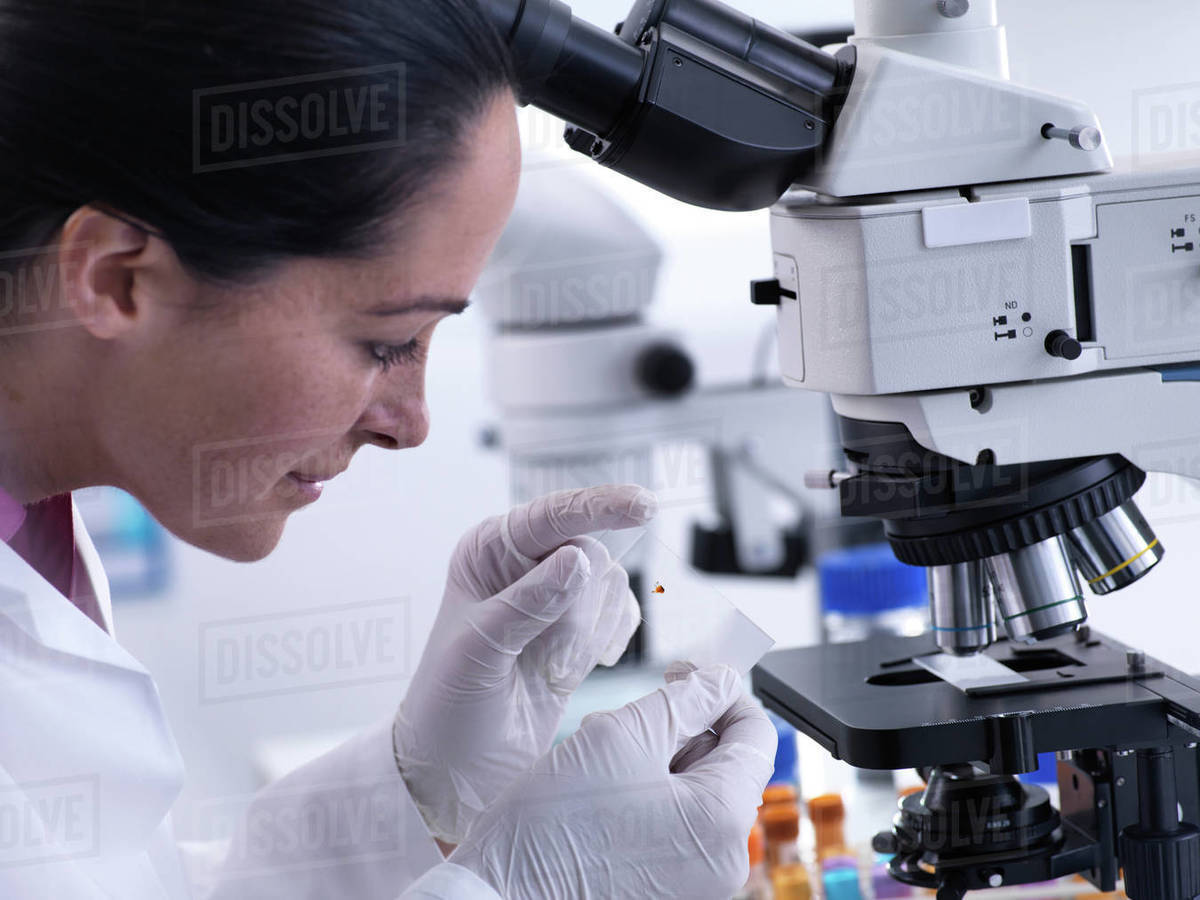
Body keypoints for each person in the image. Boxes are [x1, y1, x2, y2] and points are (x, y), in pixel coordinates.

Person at [0, 1, 777, 897]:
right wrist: (522, 888)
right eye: (385, 343)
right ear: (116, 278)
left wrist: (415, 796)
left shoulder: (37, 523)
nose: (409, 423)